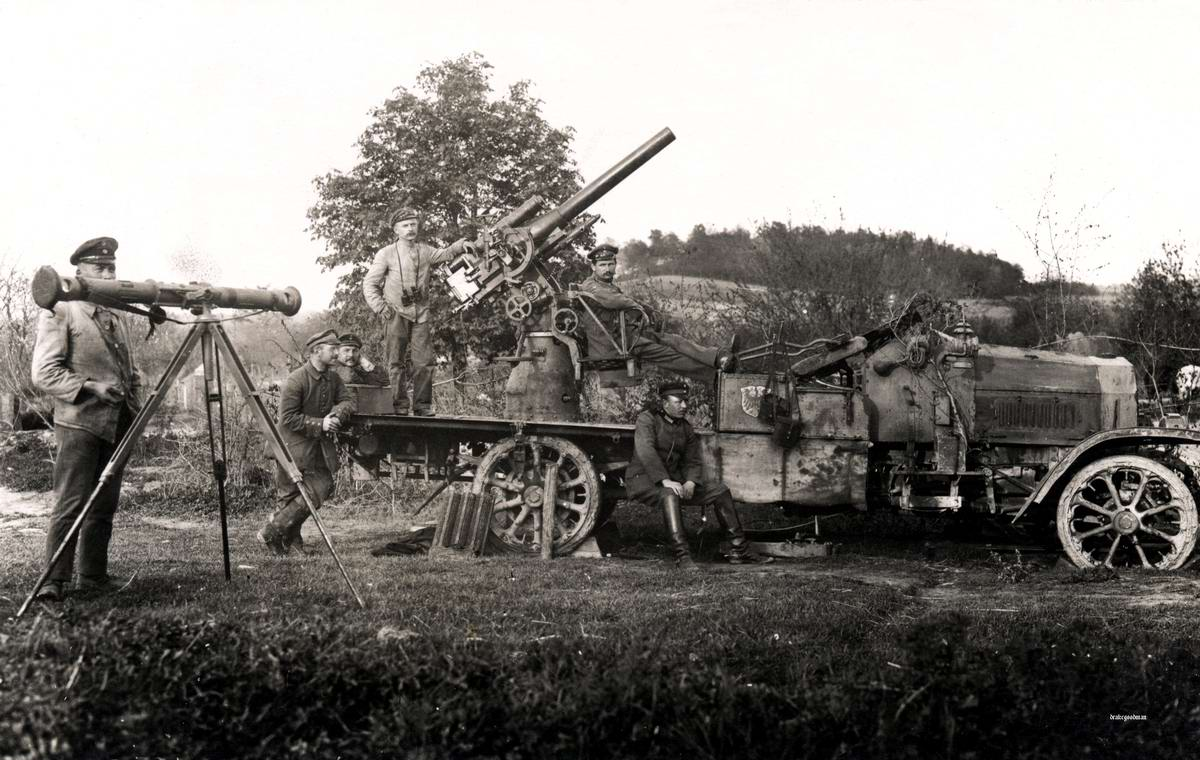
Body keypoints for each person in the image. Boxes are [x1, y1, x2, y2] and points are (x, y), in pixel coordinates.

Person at [31, 237, 143, 601]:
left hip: (117, 422)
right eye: (100, 268)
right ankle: (53, 580)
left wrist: (136, 396)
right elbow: (44, 373)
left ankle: (92, 575)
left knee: (104, 503)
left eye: (111, 268)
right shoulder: (61, 309)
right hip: (79, 421)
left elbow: (129, 367)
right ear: (80, 271)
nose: (108, 273)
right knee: (71, 502)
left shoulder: (115, 312)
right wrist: (91, 387)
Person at [625, 381, 772, 569]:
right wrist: (665, 480)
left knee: (719, 490)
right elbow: (646, 451)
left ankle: (739, 548)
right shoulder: (647, 420)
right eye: (679, 402)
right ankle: (682, 555)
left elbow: (693, 460)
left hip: (675, 483)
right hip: (643, 480)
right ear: (664, 403)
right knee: (669, 494)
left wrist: (691, 481)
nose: (684, 406)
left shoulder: (685, 427)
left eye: (685, 401)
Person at [362, 207, 476, 416]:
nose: (410, 229)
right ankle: (399, 406)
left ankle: (422, 406)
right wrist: (380, 306)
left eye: (413, 224)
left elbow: (446, 253)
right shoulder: (386, 254)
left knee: (424, 362)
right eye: (405, 225)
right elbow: (369, 284)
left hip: (420, 314)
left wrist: (462, 244)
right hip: (395, 313)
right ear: (396, 230)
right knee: (395, 362)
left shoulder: (425, 251)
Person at [576, 244, 737, 381]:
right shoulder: (591, 286)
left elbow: (621, 298)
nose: (607, 269)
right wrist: (639, 309)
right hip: (613, 343)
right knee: (668, 354)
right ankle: (715, 376)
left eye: (610, 264)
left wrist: (647, 308)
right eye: (602, 265)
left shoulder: (606, 284)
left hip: (625, 336)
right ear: (593, 267)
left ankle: (718, 357)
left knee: (674, 340)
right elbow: (614, 300)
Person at [257, 329, 354, 554]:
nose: (337, 353)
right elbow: (287, 418)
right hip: (290, 447)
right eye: (333, 349)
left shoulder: (333, 378)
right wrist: (321, 424)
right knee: (289, 495)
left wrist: (337, 414)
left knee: (323, 484)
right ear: (316, 351)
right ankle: (288, 543)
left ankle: (273, 530)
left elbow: (348, 401)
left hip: (317, 448)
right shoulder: (296, 379)